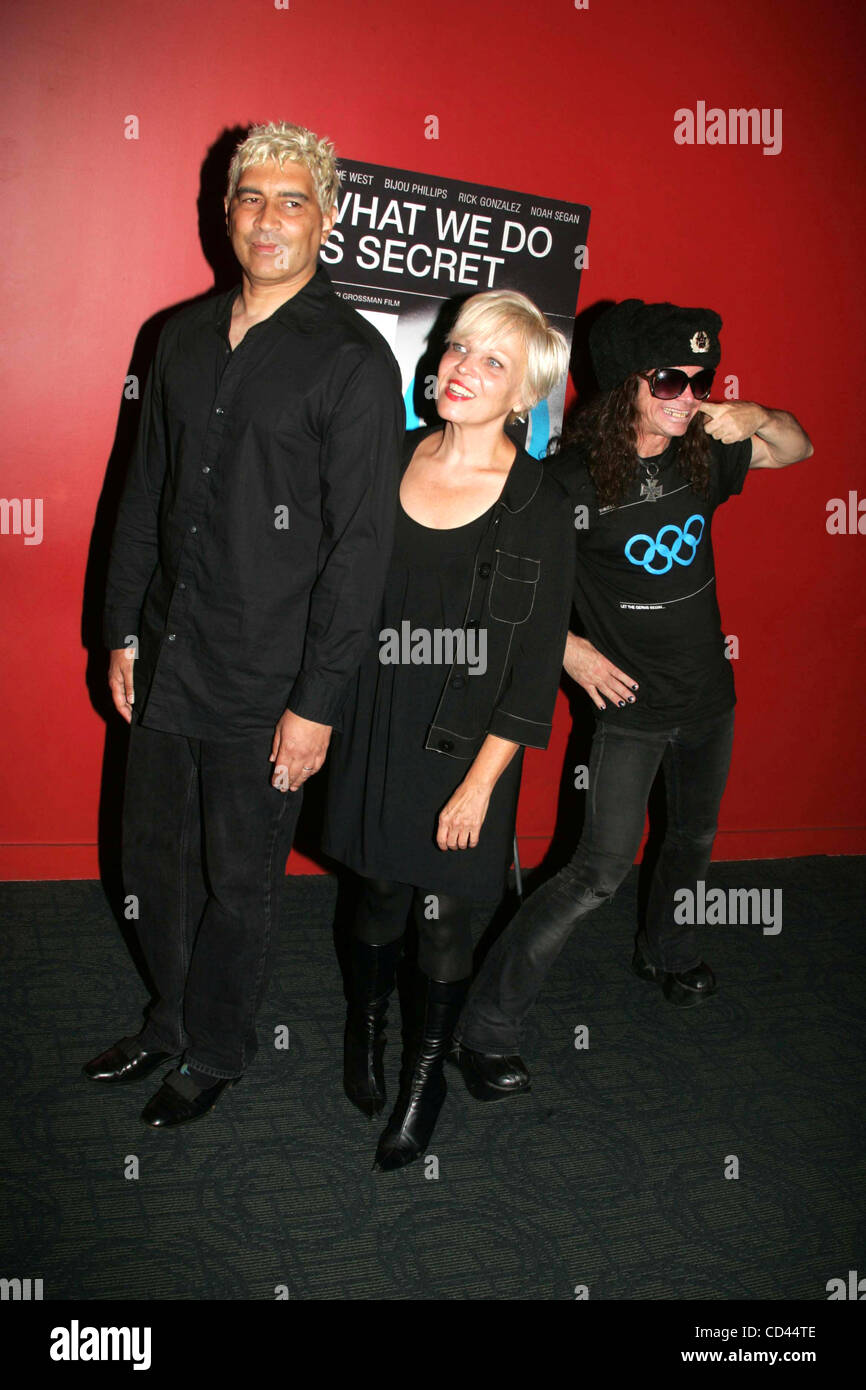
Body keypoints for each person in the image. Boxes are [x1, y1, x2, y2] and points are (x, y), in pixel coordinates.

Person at [83, 121, 403, 1127]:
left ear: (328, 216)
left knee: (238, 877)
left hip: (267, 677)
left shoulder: (353, 361)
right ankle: (169, 1017)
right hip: (168, 650)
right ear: (224, 214)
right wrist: (121, 631)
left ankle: (215, 1047)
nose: (268, 219)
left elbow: (360, 550)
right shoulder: (174, 335)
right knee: (149, 864)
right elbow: (140, 493)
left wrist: (316, 702)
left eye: (291, 199)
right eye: (250, 199)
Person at [453, 298, 813, 1100]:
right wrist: (571, 651)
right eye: (670, 379)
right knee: (596, 873)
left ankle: (669, 953)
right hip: (632, 711)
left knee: (692, 840)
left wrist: (749, 411)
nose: (690, 393)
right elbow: (503, 587)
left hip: (708, 697)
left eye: (700, 377)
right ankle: (485, 1030)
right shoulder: (568, 480)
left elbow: (797, 446)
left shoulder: (705, 455)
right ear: (626, 385)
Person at [322, 290, 575, 1169]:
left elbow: (534, 664)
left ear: (523, 397)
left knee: (442, 919)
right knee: (377, 893)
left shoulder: (539, 500)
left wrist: (480, 785)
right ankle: (366, 1031)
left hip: (463, 746)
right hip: (371, 720)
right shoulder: (385, 457)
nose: (462, 368)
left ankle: (424, 1078)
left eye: (492, 363)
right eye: (460, 349)